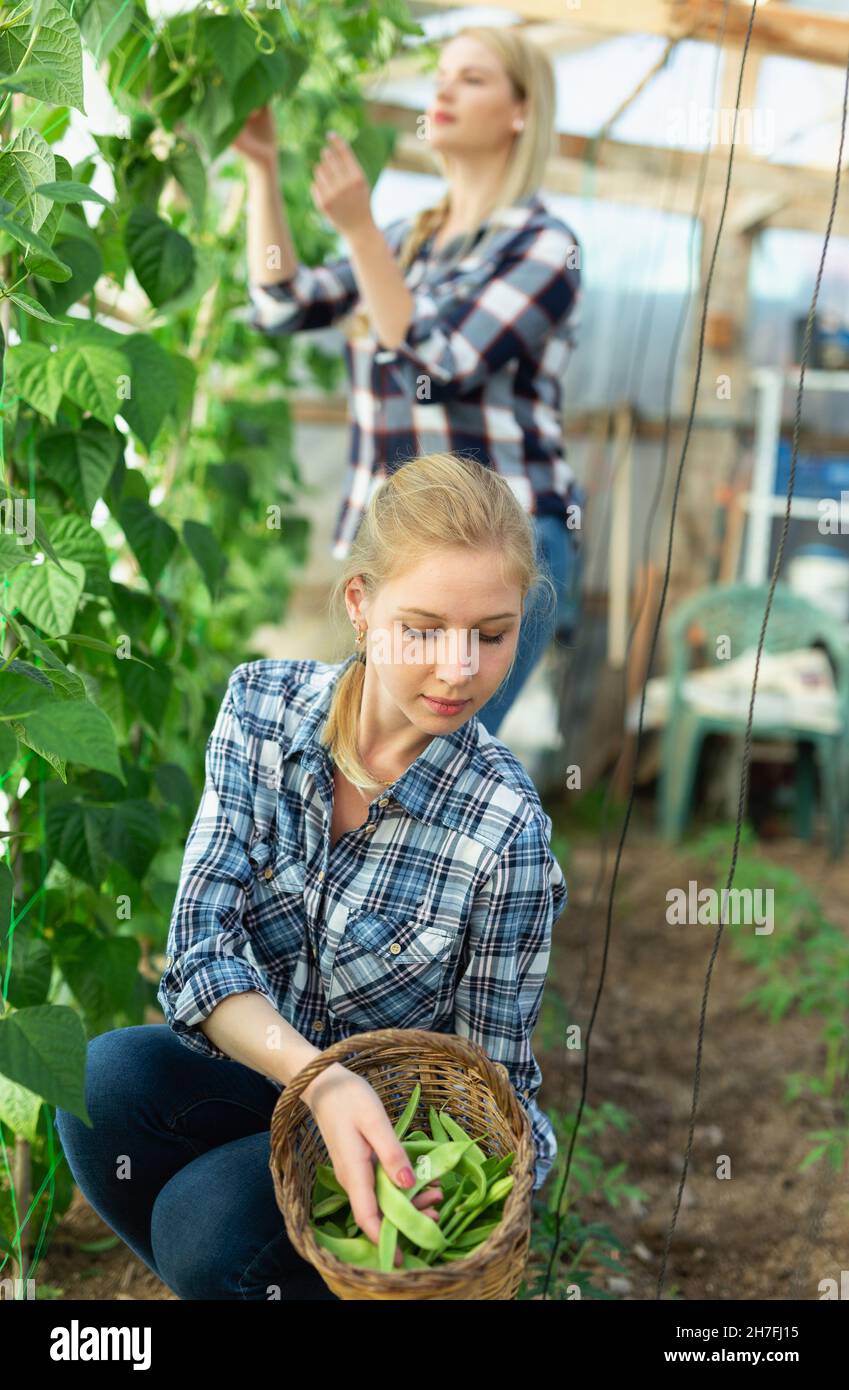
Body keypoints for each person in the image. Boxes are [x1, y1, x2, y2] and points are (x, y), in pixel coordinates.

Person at [54, 452, 568, 1301]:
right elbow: (199, 947)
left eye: (491, 634)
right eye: (424, 627)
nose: (459, 669)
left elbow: (487, 1082)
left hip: (388, 1135)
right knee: (101, 1084)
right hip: (270, 1074)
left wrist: (452, 1190)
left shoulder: (505, 829)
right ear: (361, 607)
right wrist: (318, 1078)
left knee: (205, 1224)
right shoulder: (260, 710)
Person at [234, 24, 584, 736]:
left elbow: (444, 360)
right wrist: (262, 171)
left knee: (430, 761)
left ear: (521, 110)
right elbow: (281, 302)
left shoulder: (545, 245)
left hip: (501, 546)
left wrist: (359, 234)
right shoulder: (403, 239)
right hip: (402, 549)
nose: (443, 89)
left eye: (472, 78)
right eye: (441, 74)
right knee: (371, 759)